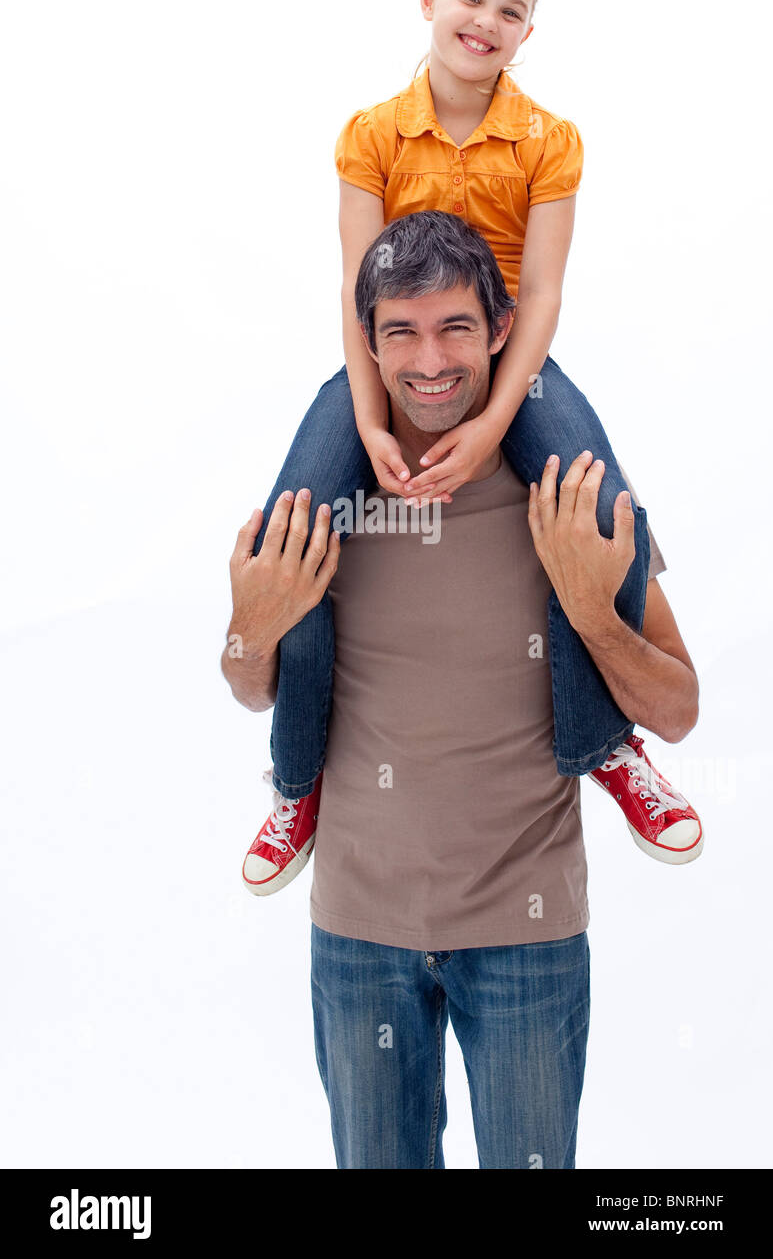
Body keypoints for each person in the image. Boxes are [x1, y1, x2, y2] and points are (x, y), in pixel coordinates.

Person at [220, 211, 701, 1167]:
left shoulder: (565, 494)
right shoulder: (328, 500)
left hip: (527, 934)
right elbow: (250, 683)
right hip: (359, 933)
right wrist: (253, 624)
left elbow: (678, 707)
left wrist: (590, 607)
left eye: (454, 329)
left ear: (500, 330)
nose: (429, 360)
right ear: (367, 343)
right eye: (400, 331)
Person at [240, 0, 703, 893]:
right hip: (390, 362)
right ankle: (296, 781)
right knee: (299, 528)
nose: (486, 19)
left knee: (599, 502)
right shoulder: (370, 132)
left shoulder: (549, 141)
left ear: (528, 32)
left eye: (511, 9)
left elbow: (537, 296)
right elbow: (353, 290)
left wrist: (495, 422)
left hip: (505, 365)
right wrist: (368, 423)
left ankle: (606, 744)